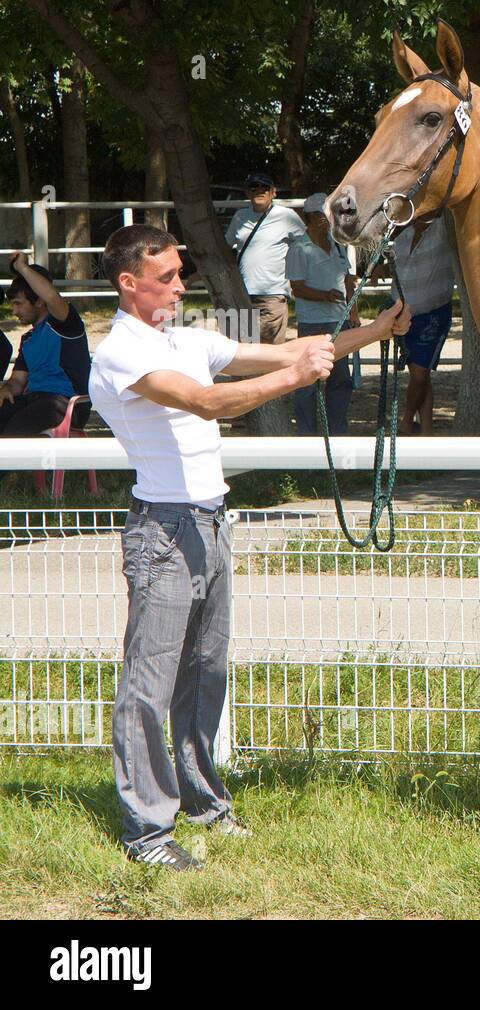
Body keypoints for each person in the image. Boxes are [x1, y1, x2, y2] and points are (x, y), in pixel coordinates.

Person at [88, 224, 409, 870]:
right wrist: (295, 379)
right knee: (149, 686)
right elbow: (208, 402)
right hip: (164, 533)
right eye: (169, 277)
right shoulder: (122, 351)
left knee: (205, 677)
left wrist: (377, 330)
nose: (182, 285)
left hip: (209, 524)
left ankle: (205, 805)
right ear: (130, 283)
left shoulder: (187, 338)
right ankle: (148, 834)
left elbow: (302, 348)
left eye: (182, 273)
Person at [286, 192, 359, 435]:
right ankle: (307, 435)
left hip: (339, 320)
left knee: (340, 380)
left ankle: (338, 433)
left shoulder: (339, 243)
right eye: (321, 215)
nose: (326, 220)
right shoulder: (298, 248)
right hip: (312, 322)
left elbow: (349, 280)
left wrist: (353, 312)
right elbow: (297, 288)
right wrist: (324, 295)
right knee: (308, 379)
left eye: (328, 214)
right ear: (310, 217)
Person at [0, 254, 91, 436]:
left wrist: (22, 267)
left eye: (19, 303)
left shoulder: (66, 324)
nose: (15, 311)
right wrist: (7, 389)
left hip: (66, 403)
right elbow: (18, 380)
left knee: (11, 439)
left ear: (39, 301)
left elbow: (51, 296)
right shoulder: (28, 339)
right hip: (33, 401)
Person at [224, 172, 306, 344]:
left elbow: (307, 246)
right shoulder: (240, 217)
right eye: (254, 187)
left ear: (273, 192)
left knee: (268, 351)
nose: (259, 191)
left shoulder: (286, 216)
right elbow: (226, 247)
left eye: (265, 187)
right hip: (242, 294)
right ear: (247, 192)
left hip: (273, 295)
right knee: (244, 350)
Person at [392, 215, 456, 435]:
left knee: (419, 373)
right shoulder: (403, 235)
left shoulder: (443, 230)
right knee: (420, 373)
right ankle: (427, 427)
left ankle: (407, 421)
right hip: (404, 315)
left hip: (432, 314)